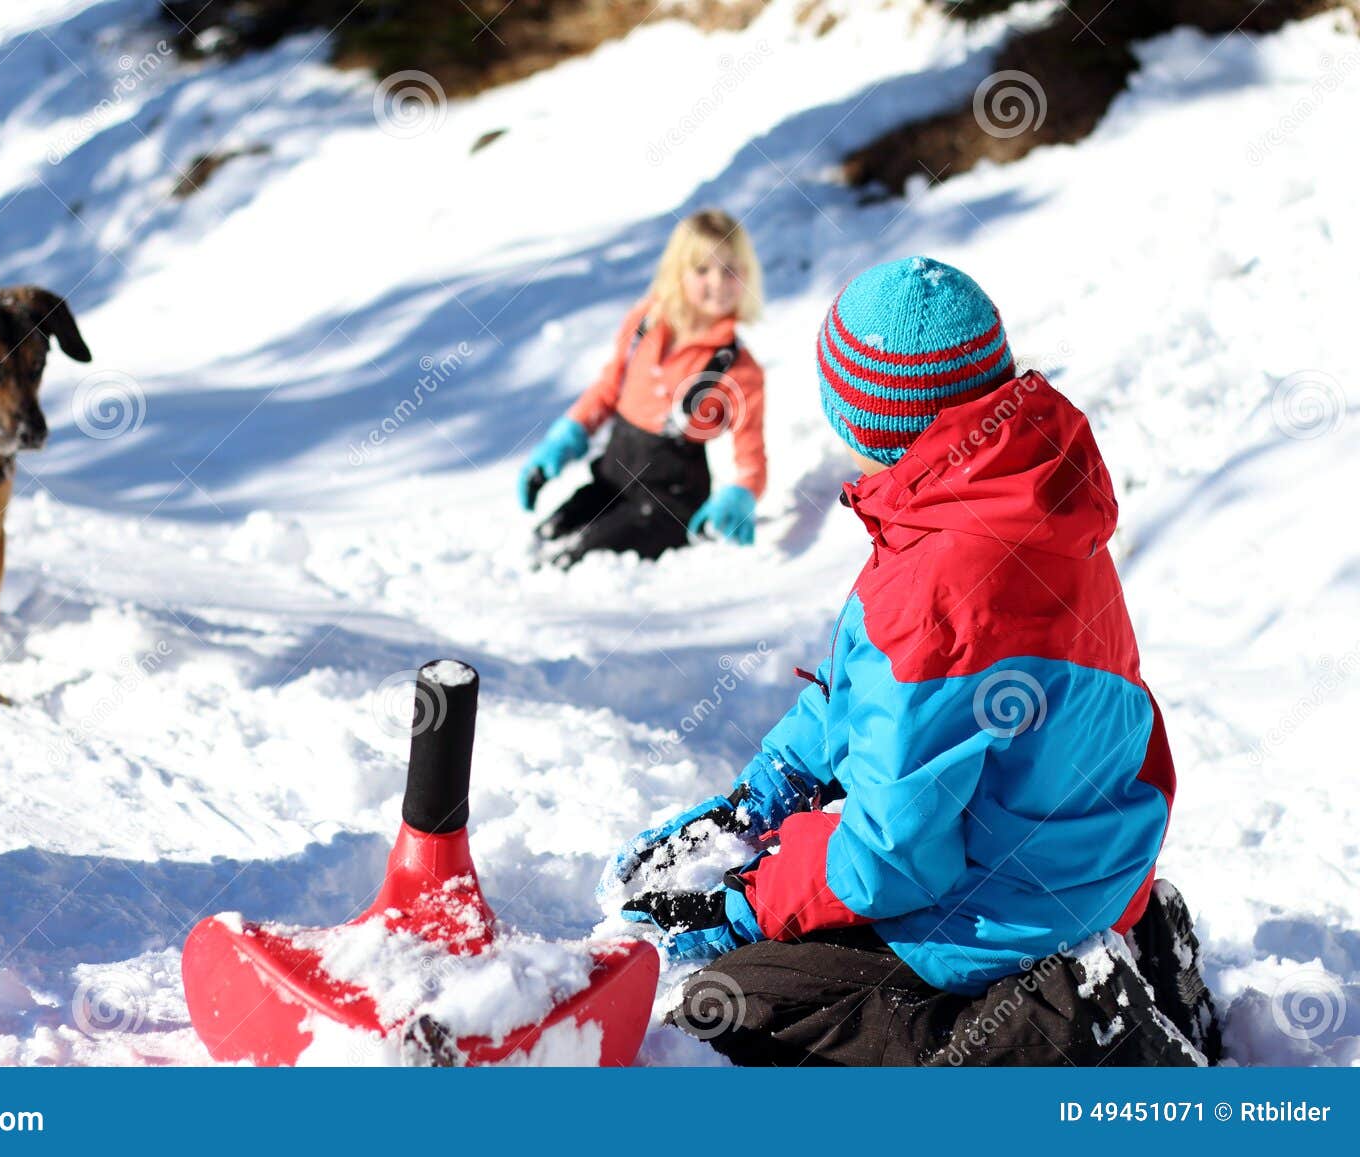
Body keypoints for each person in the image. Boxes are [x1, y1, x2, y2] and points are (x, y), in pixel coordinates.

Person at [604, 256, 1220, 1066]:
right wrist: (770, 786)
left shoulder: (936, 581)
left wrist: (750, 902)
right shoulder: (1020, 495)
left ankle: (1061, 1018)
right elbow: (875, 686)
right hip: (1095, 850)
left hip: (1006, 910)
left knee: (744, 1006)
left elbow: (893, 857)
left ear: (873, 421)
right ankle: (1128, 951)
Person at [519, 209, 766, 567]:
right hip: (611, 483)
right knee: (545, 539)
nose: (718, 281)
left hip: (670, 504)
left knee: (580, 559)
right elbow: (608, 388)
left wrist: (740, 496)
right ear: (676, 273)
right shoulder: (645, 323)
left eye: (730, 270)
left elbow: (751, 456)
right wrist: (565, 438)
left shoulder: (738, 369)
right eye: (702, 269)